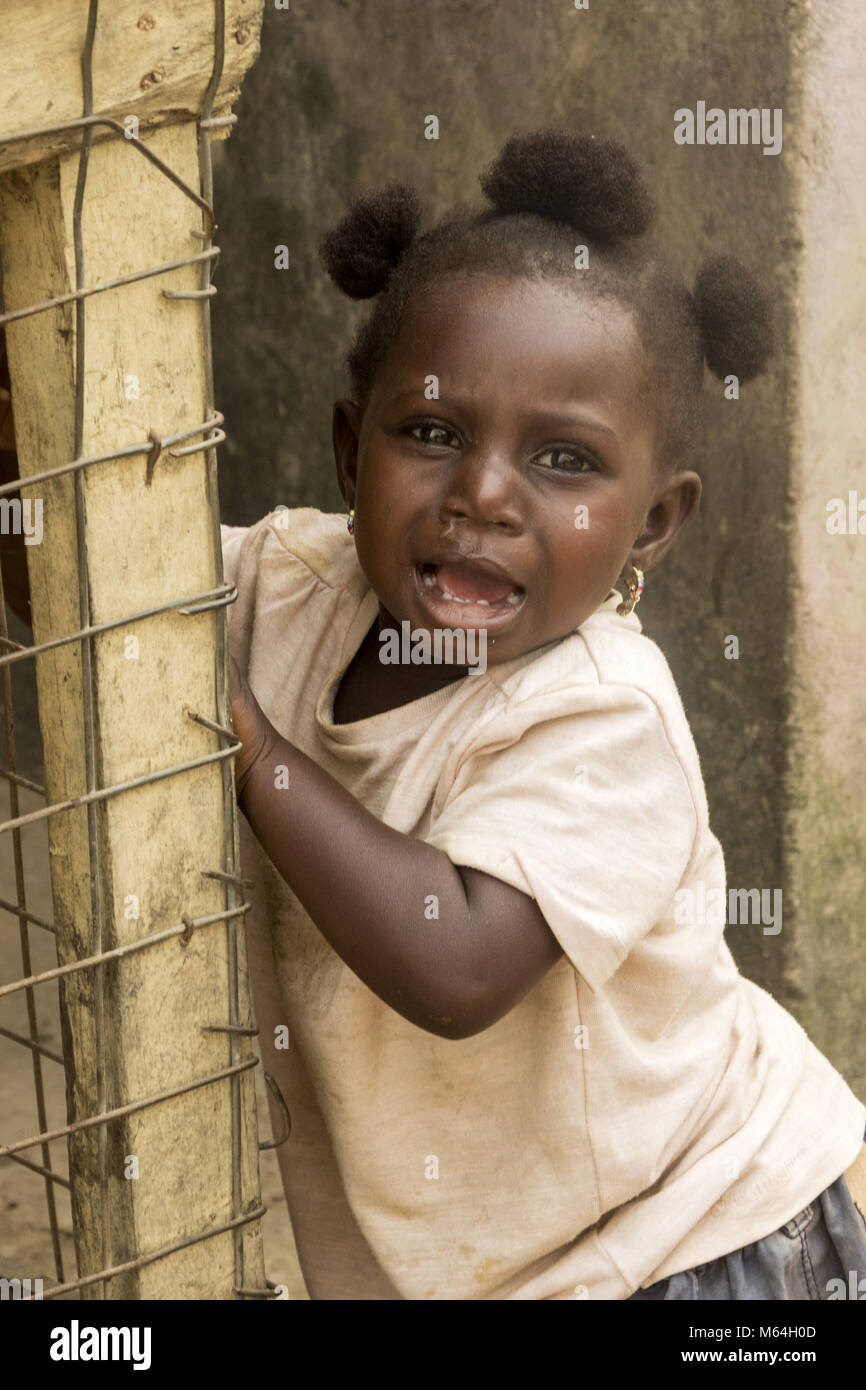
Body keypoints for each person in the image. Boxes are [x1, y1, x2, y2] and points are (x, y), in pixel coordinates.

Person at [3, 132, 865, 1300]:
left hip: (700, 1240)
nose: (483, 496)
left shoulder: (604, 715)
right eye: (432, 433)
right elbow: (95, 597)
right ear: (352, 452)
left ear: (652, 524)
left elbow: (452, 961)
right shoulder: (295, 583)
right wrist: (25, 472)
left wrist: (237, 734)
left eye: (563, 460)